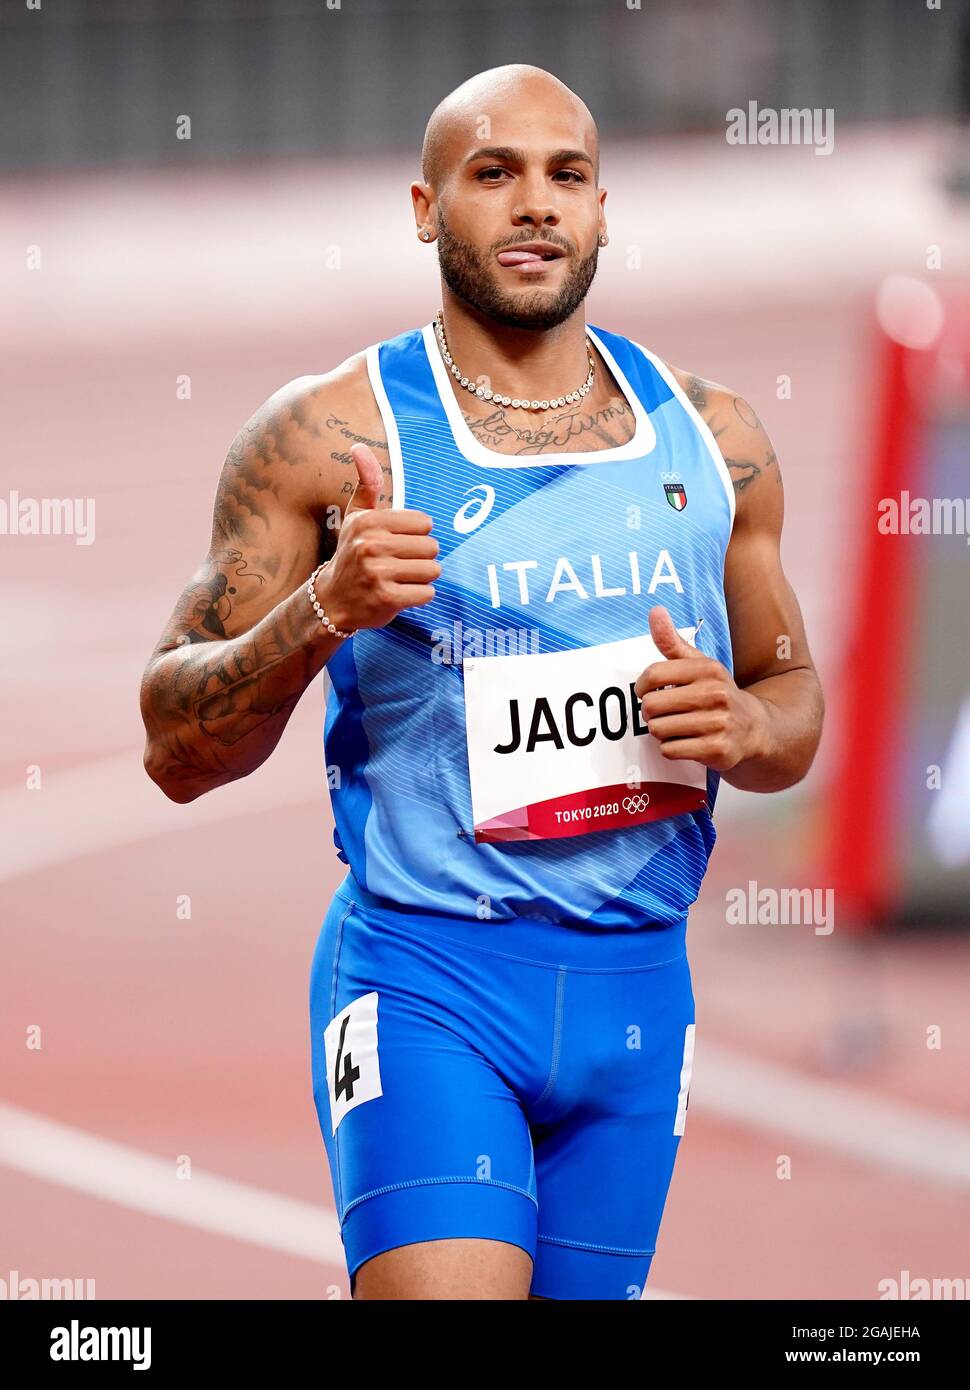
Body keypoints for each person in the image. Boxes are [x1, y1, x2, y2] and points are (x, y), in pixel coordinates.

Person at [140, 64, 824, 1301]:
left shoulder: (715, 439)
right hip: (428, 979)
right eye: (492, 173)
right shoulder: (327, 437)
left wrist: (743, 724)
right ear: (423, 207)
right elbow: (174, 747)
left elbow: (793, 704)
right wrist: (322, 610)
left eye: (565, 175)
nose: (534, 205)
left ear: (604, 209)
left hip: (635, 998)